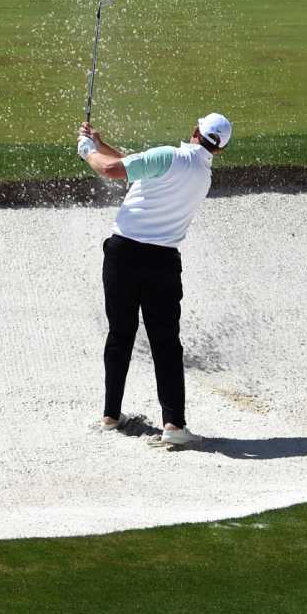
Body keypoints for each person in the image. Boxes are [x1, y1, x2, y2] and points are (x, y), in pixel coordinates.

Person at [76, 111, 233, 448]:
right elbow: (139, 169)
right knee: (166, 344)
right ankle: (174, 424)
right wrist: (101, 144)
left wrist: (88, 150)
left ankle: (110, 415)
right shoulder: (202, 176)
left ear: (194, 130)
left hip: (123, 256)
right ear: (218, 149)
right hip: (162, 263)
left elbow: (110, 170)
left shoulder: (169, 156)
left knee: (120, 334)